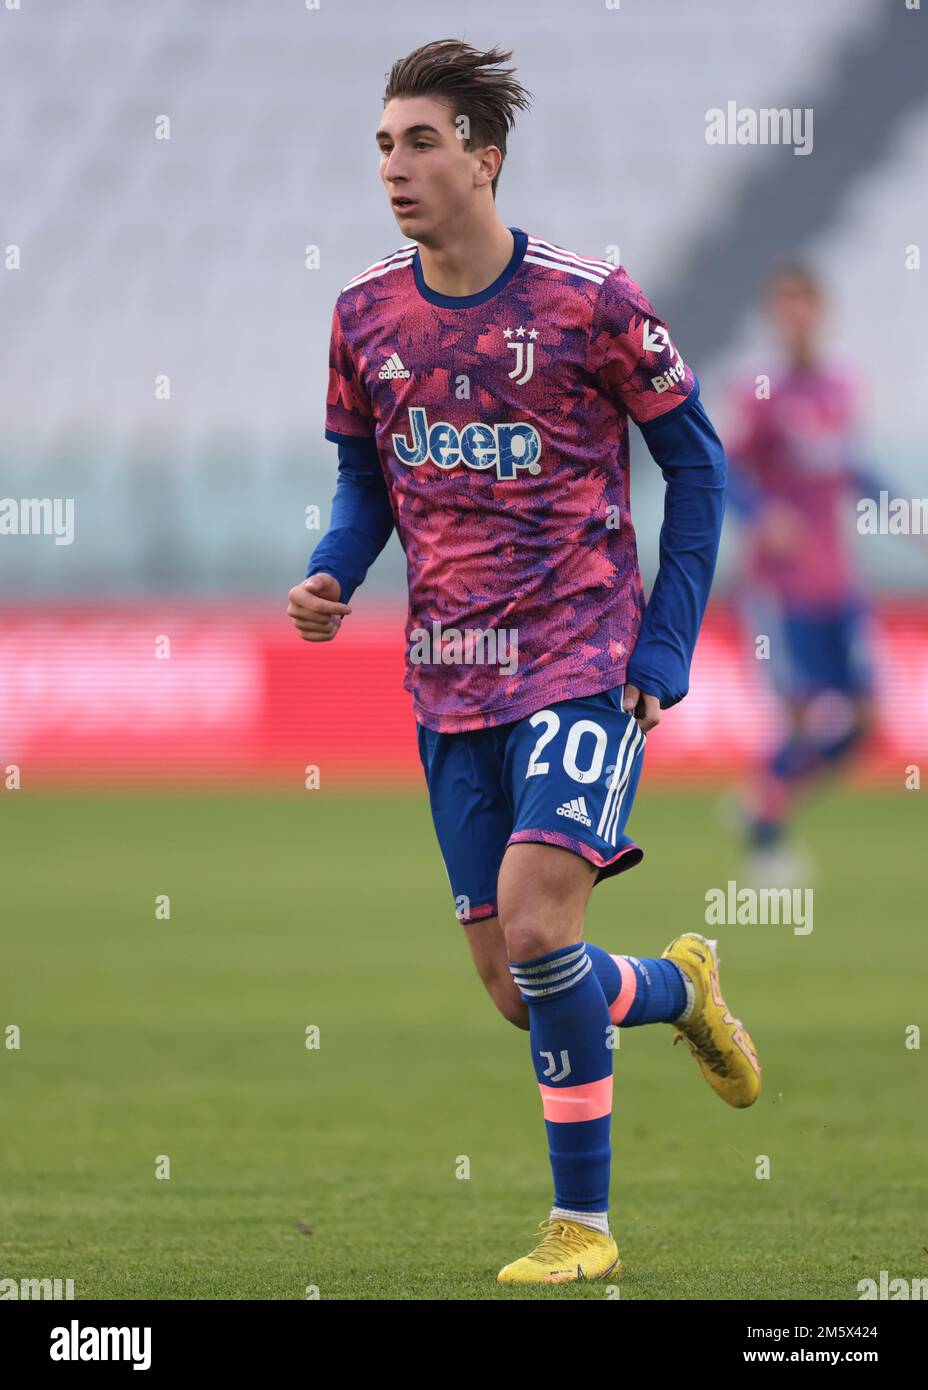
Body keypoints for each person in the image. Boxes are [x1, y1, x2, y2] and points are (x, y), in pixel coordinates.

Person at [288, 38, 760, 1286]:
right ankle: (676, 986)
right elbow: (363, 480)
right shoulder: (363, 314)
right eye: (384, 144)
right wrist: (336, 567)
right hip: (447, 679)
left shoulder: (589, 300)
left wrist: (663, 641)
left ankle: (582, 1227)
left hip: (580, 657)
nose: (395, 166)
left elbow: (698, 467)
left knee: (543, 918)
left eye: (422, 141)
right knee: (521, 987)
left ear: (484, 158)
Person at [724, 265, 877, 885]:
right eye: (783, 307)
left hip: (837, 581)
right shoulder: (761, 395)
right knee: (802, 715)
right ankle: (766, 840)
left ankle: (762, 795)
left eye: (803, 305)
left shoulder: (840, 390)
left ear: (820, 311)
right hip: (780, 587)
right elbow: (724, 474)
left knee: (864, 723)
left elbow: (850, 469)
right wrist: (763, 515)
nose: (795, 318)